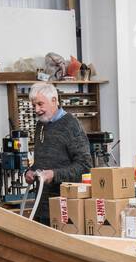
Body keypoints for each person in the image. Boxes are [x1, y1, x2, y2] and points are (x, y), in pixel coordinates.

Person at [24, 82, 92, 224]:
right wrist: (31, 171)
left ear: (54, 100)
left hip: (65, 208)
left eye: (40, 104)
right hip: (41, 206)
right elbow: (46, 160)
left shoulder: (71, 125)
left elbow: (85, 166)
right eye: (34, 105)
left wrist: (54, 174)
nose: (36, 109)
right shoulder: (41, 124)